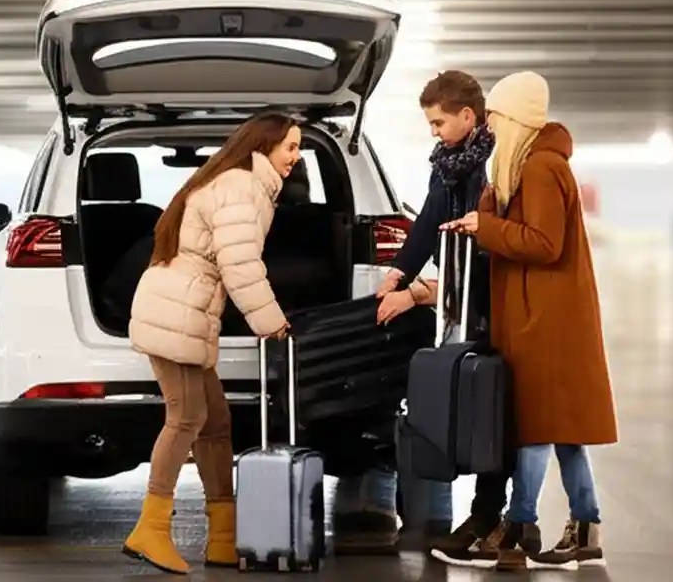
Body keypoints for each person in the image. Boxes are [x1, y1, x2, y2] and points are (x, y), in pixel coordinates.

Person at [441, 70, 618, 570]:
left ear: (515, 117)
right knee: (563, 431)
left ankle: (519, 529)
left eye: (495, 115)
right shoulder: (531, 166)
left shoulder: (541, 168)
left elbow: (543, 243)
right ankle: (585, 526)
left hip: (545, 319)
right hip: (544, 314)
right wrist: (484, 216)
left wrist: (487, 226)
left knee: (535, 427)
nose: (490, 126)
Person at [329, 70, 502, 556]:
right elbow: (427, 223)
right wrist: (397, 272)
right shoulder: (447, 163)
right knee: (464, 397)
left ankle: (494, 516)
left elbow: (485, 253)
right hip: (456, 298)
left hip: (486, 296)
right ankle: (476, 516)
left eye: (438, 123)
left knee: (485, 402)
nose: (434, 132)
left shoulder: (492, 168)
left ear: (468, 117)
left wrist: (418, 293)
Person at [121, 112, 301, 574]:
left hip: (184, 311)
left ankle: (224, 536)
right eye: (290, 148)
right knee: (186, 417)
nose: (295, 160)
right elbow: (240, 264)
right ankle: (151, 529)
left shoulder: (236, 183)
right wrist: (272, 324)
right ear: (263, 147)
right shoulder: (242, 188)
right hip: (175, 313)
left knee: (216, 421)